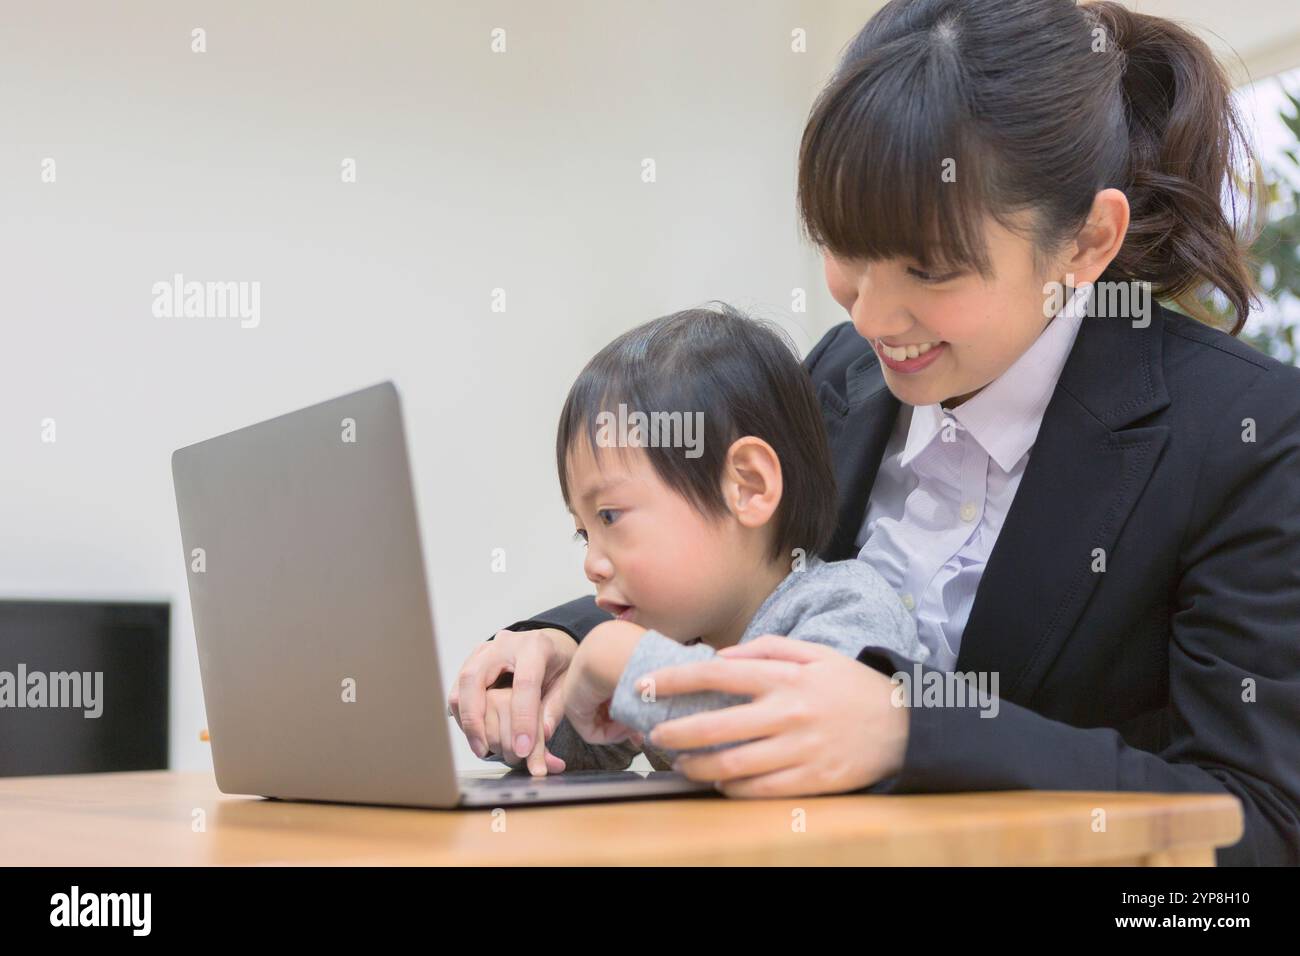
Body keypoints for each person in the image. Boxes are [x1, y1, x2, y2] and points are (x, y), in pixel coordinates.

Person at [451, 0, 1300, 865]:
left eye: (927, 269)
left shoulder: (1247, 436)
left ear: (1086, 242)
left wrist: (909, 730)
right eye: (844, 248)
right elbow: (741, 562)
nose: (872, 313)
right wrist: (559, 641)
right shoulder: (843, 376)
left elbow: (1259, 822)